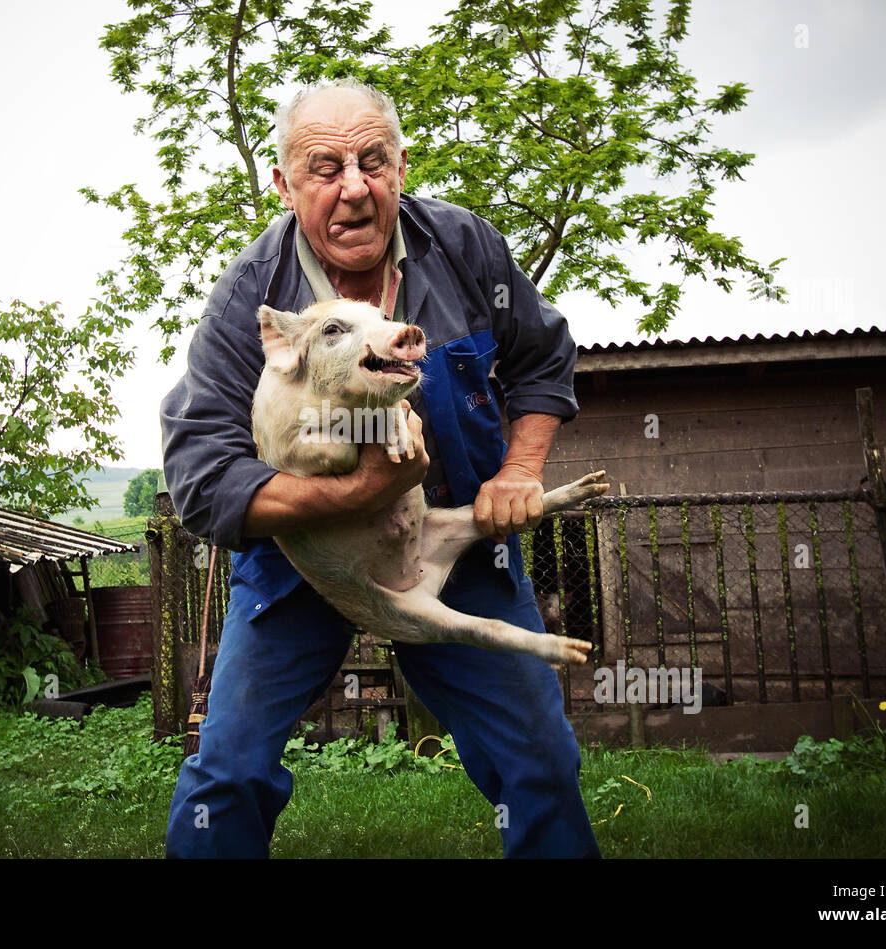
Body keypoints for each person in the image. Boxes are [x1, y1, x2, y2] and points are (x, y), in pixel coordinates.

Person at [159, 78, 601, 859]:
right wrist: (351, 492)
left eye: (372, 160)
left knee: (541, 762)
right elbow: (199, 472)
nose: (354, 188)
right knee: (225, 773)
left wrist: (520, 470)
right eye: (325, 168)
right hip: (299, 561)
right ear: (284, 183)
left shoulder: (463, 248)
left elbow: (542, 359)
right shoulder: (249, 300)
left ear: (400, 164)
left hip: (451, 541)